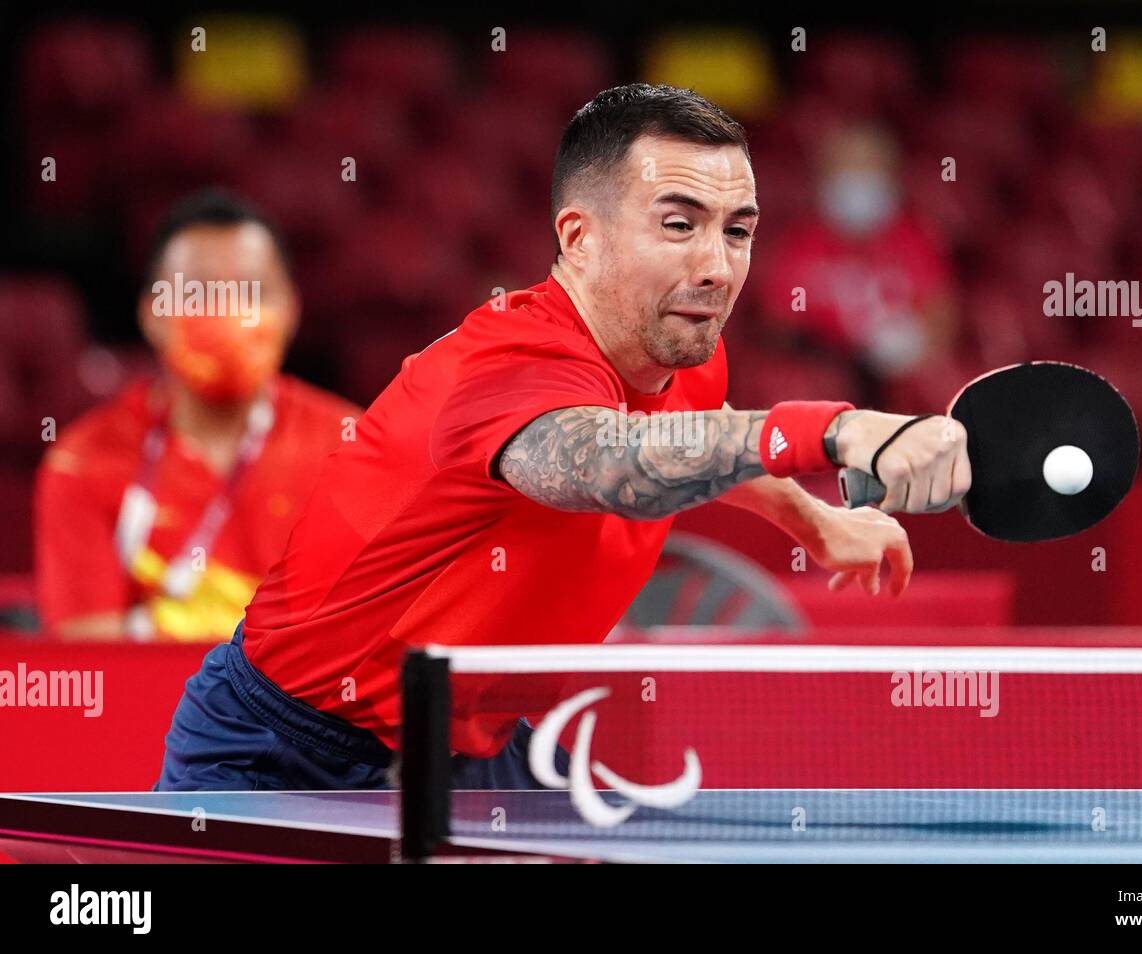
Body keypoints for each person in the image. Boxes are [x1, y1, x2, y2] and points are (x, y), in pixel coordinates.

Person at [156, 85, 969, 792]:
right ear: (579, 237)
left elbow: (692, 435)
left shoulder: (683, 348)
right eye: (680, 224)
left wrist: (812, 522)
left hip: (470, 746)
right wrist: (839, 429)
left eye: (738, 230)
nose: (718, 265)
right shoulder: (506, 365)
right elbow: (612, 466)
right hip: (290, 749)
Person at [35, 190, 358, 642]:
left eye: (253, 290)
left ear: (291, 310)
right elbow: (93, 662)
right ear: (152, 315)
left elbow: (359, 641)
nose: (226, 311)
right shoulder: (81, 462)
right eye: (198, 291)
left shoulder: (354, 450)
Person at [761, 122, 957, 406]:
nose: (859, 182)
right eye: (848, 170)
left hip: (897, 387)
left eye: (869, 169)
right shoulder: (800, 245)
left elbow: (942, 315)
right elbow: (778, 327)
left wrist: (911, 342)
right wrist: (841, 347)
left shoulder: (915, 240)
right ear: (824, 178)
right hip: (824, 384)